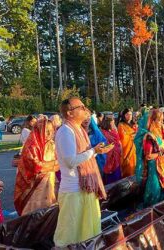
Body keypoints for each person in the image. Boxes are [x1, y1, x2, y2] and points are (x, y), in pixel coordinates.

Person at [53, 97, 113, 247]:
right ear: (69, 113)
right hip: (73, 191)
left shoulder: (79, 130)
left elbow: (84, 157)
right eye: (80, 107)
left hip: (85, 188)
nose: (85, 109)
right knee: (69, 234)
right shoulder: (65, 131)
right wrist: (93, 151)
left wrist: (98, 151)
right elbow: (70, 161)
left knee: (88, 232)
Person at [14, 119, 59, 216]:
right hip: (34, 185)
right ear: (38, 130)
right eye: (46, 130)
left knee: (48, 209)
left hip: (49, 181)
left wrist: (55, 164)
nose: (49, 133)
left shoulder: (52, 144)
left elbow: (60, 163)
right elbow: (36, 166)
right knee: (34, 212)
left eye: (52, 130)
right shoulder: (32, 146)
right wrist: (55, 164)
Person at [138, 109, 164, 206]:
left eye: (162, 120)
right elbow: (148, 156)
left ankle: (163, 208)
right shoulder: (150, 136)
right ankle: (151, 211)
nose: (161, 123)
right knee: (155, 188)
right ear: (152, 121)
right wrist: (161, 153)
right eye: (159, 120)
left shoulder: (160, 132)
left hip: (162, 164)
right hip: (154, 167)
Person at [101, 115, 122, 184]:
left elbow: (118, 141)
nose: (113, 124)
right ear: (107, 123)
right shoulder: (103, 133)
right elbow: (104, 146)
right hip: (109, 159)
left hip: (117, 158)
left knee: (117, 176)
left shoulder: (113, 131)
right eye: (112, 123)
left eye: (113, 122)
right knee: (111, 179)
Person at [118, 108, 137, 177]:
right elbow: (122, 137)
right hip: (126, 149)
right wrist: (132, 136)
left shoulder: (134, 124)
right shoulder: (121, 125)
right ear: (124, 115)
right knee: (128, 167)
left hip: (134, 149)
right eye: (127, 114)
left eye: (130, 114)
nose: (129, 116)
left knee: (134, 165)